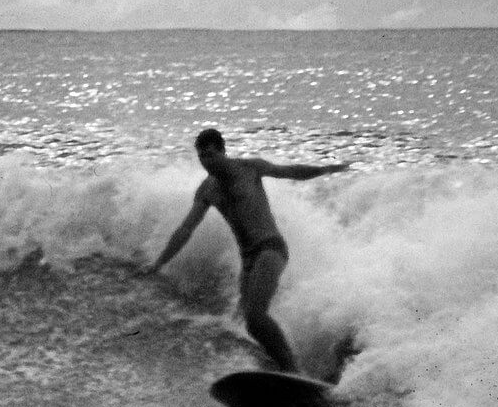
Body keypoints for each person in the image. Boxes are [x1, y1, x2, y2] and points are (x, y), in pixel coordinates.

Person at [143, 128, 350, 374]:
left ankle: (291, 370)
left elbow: (291, 171)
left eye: (210, 154)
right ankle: (285, 365)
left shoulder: (249, 169)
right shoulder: (207, 190)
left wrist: (326, 170)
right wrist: (159, 263)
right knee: (250, 324)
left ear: (222, 151)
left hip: (270, 249)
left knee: (255, 315)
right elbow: (186, 229)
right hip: (249, 259)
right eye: (201, 157)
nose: (207, 162)